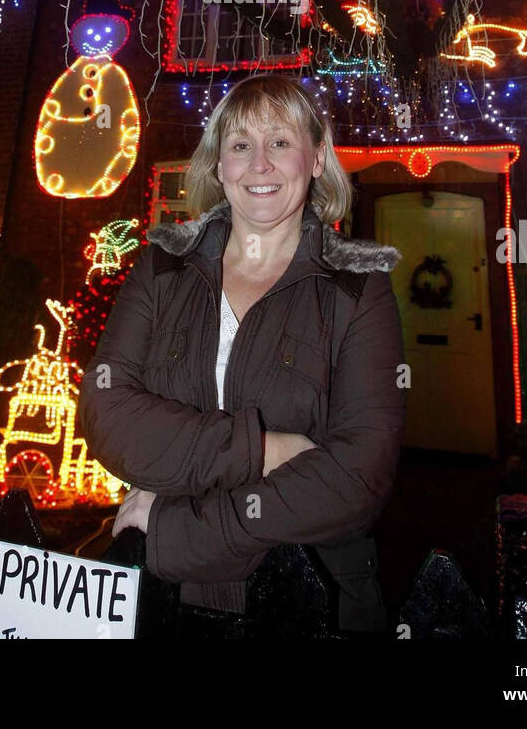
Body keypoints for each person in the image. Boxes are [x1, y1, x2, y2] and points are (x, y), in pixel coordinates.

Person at [77, 73, 405, 635]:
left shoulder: (358, 287)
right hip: (166, 607)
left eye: (280, 142)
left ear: (318, 158)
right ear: (218, 166)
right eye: (239, 145)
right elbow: (107, 414)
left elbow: (358, 478)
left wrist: (182, 532)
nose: (259, 163)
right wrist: (259, 451)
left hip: (311, 605)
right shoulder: (162, 267)